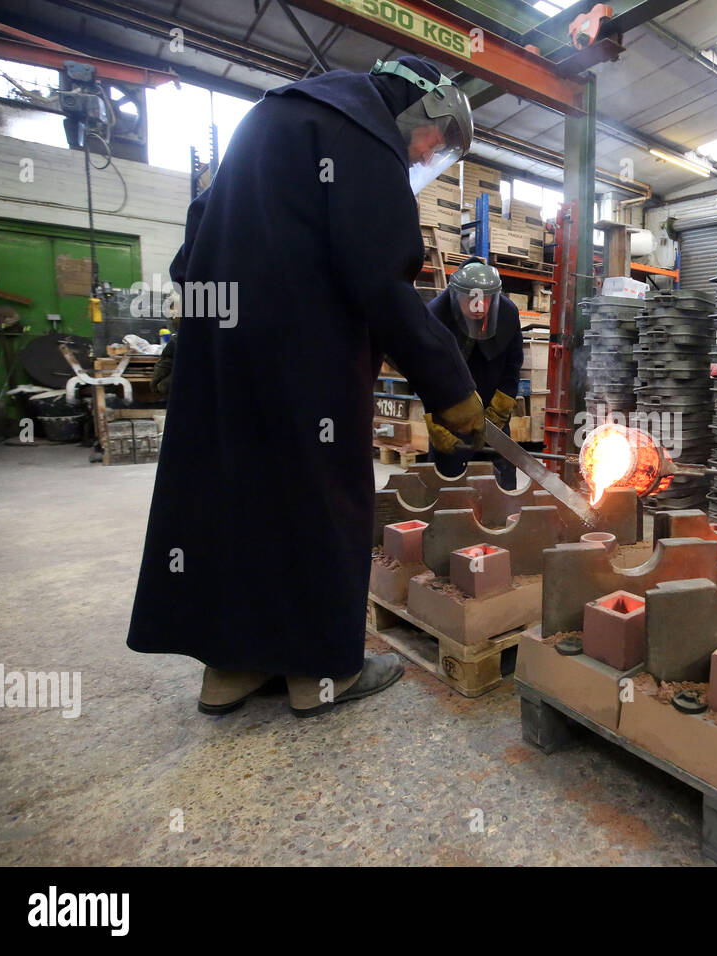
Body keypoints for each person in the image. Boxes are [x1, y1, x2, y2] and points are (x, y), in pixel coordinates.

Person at [127, 55, 484, 718]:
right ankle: (320, 675)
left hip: (222, 355)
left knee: (236, 495)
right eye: (434, 142)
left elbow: (193, 238)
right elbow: (382, 283)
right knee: (321, 499)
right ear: (420, 110)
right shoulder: (366, 136)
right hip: (305, 356)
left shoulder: (269, 117)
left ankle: (230, 667)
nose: (424, 154)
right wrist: (451, 388)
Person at [424, 258, 523, 489]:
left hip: (493, 415)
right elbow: (426, 374)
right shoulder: (436, 315)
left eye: (486, 300)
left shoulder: (508, 314)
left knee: (502, 486)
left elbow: (513, 365)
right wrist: (434, 416)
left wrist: (499, 411)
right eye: (470, 300)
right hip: (451, 414)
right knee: (449, 486)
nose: (478, 306)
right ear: (457, 296)